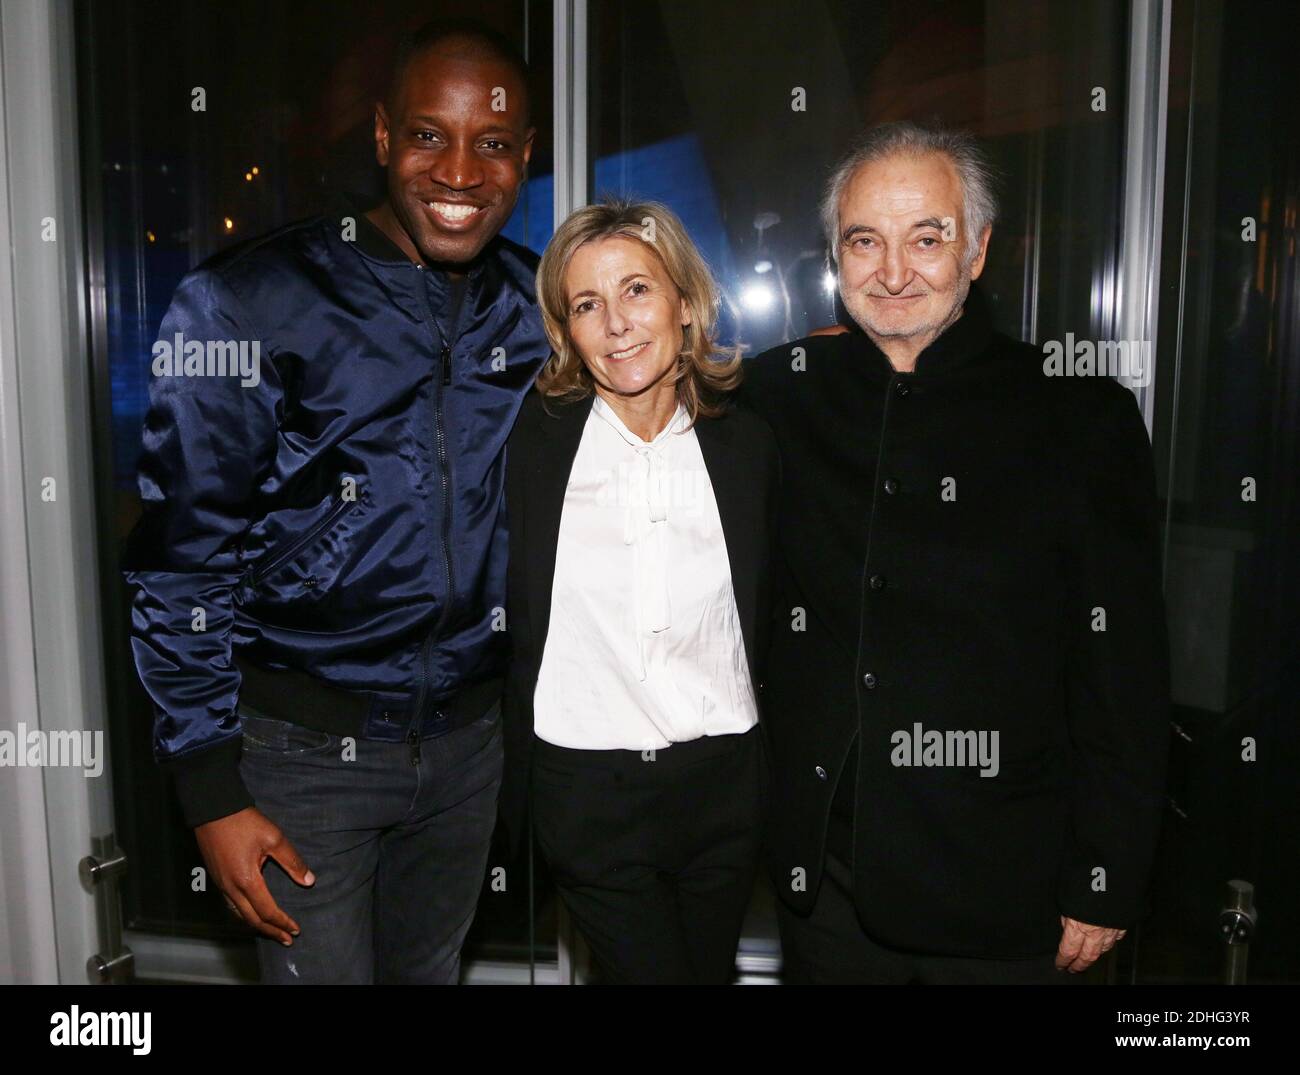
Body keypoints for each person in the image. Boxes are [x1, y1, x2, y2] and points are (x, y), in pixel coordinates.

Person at [122, 20, 547, 984]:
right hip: (302, 756)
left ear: (526, 158)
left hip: (470, 750)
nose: (460, 170)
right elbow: (180, 554)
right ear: (384, 137)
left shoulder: (539, 308)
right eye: (430, 135)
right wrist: (208, 787)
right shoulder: (247, 302)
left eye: (492, 143)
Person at [740, 121, 1170, 984]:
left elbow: (1123, 673)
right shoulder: (774, 400)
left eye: (926, 239)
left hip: (1007, 896)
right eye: (866, 240)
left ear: (977, 251)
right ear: (836, 254)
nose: (893, 272)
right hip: (828, 893)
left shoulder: (1079, 418)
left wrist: (1106, 877)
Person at [499, 199, 779, 984]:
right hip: (588, 791)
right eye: (587, 303)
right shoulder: (534, 442)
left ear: (684, 303)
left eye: (637, 291)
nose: (616, 323)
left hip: (725, 783)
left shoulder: (747, 440)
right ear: (565, 329)